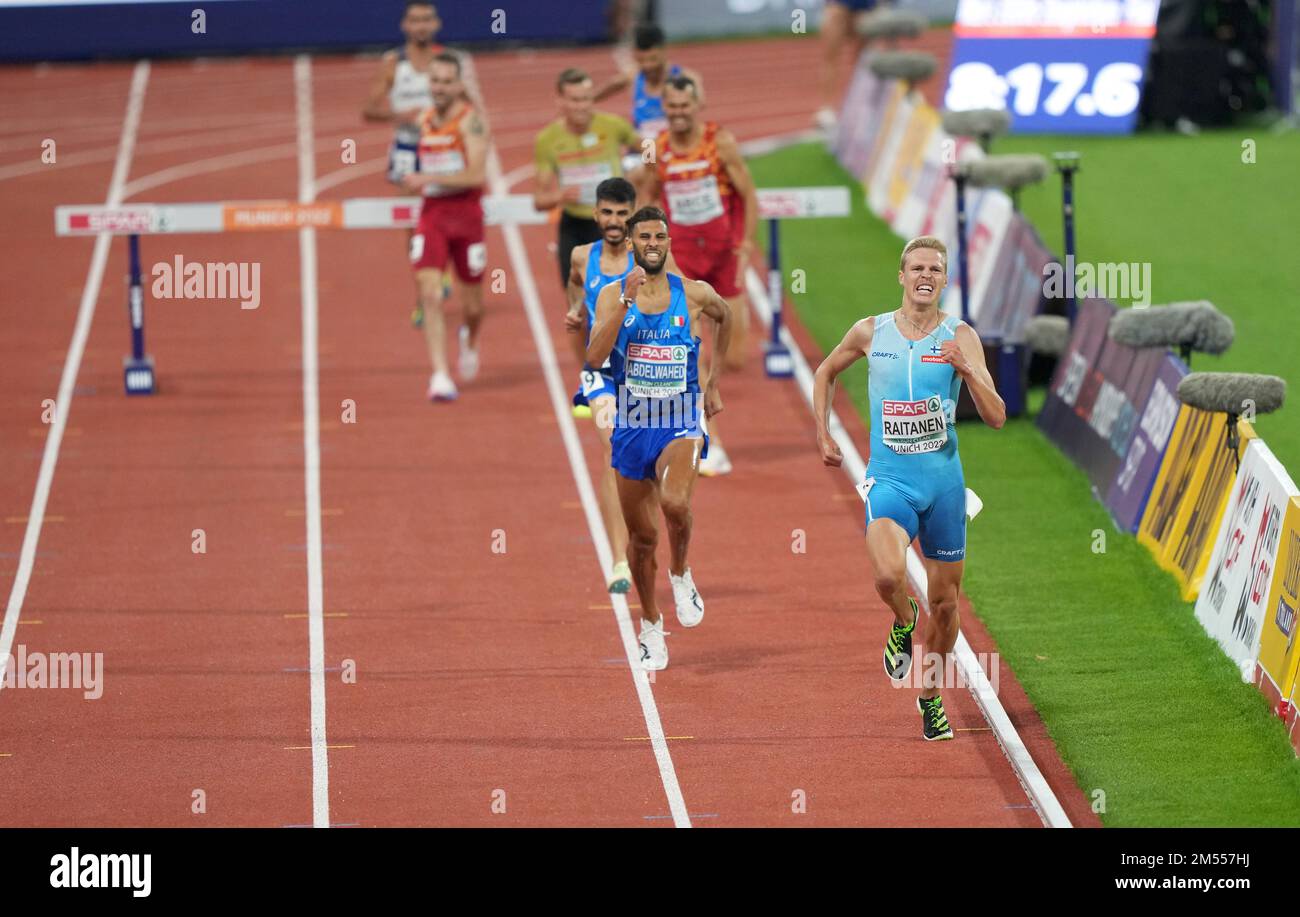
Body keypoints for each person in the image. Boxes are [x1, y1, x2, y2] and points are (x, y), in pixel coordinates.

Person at [811, 236, 1005, 741]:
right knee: (886, 575)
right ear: (902, 276)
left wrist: (967, 372)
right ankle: (902, 618)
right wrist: (823, 431)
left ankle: (931, 697)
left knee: (946, 603)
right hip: (891, 480)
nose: (925, 275)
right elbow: (825, 372)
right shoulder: (870, 331)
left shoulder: (961, 336)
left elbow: (998, 416)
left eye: (934, 269)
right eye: (916, 267)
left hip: (943, 487)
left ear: (944, 279)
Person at [586, 207, 732, 671]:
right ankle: (650, 623)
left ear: (669, 242)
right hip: (632, 424)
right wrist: (625, 304)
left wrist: (713, 383)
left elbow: (724, 316)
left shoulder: (691, 293)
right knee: (642, 538)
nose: (654, 243)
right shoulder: (614, 296)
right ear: (631, 243)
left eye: (661, 236)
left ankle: (681, 571)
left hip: (680, 420)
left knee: (674, 504)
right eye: (645, 236)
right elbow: (593, 356)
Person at [644, 75, 757, 474]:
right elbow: (646, 196)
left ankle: (693, 415)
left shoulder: (719, 141)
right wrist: (653, 254)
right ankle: (708, 439)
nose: (677, 114)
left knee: (737, 354)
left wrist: (745, 246)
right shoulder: (654, 148)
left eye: (683, 106)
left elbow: (748, 194)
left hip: (724, 258)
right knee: (693, 352)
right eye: (670, 107)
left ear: (697, 105)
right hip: (683, 263)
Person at [532, 68, 641, 385]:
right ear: (560, 101)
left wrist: (640, 173)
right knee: (578, 310)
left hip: (617, 229)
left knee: (628, 302)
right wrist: (557, 196)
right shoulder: (548, 140)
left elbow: (648, 148)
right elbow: (539, 199)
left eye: (586, 99)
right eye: (575, 100)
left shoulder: (613, 126)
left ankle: (629, 372)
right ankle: (590, 377)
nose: (582, 106)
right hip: (575, 229)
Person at [564, 178, 639, 593]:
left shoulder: (649, 257)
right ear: (595, 214)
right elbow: (575, 287)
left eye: (622, 213)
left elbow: (681, 298)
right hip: (602, 375)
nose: (614, 221)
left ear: (633, 214)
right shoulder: (581, 256)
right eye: (607, 213)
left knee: (647, 467)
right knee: (613, 449)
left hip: (646, 374)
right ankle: (618, 561)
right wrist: (576, 310)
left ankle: (643, 538)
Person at [401, 52, 489, 402]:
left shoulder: (472, 123)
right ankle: (439, 374)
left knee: (474, 307)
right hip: (432, 217)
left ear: (458, 85)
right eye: (434, 80)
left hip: (467, 218)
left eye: (446, 81)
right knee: (431, 294)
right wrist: (407, 176)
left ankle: (469, 338)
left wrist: (428, 176)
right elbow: (405, 166)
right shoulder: (421, 121)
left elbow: (476, 175)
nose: (439, 87)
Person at [362, 1, 448, 330]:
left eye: (427, 19)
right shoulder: (392, 63)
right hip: (407, 152)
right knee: (416, 227)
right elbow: (369, 109)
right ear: (405, 26)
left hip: (442, 150)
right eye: (415, 20)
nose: (421, 26)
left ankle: (444, 273)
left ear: (436, 23)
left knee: (444, 219)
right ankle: (423, 299)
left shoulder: (446, 61)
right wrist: (402, 116)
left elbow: (467, 103)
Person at [592, 22, 705, 199]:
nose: (648, 66)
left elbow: (699, 103)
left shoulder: (685, 78)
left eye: (653, 59)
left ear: (663, 52)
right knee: (637, 181)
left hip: (674, 145)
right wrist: (585, 102)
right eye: (642, 60)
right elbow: (609, 86)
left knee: (662, 183)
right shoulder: (634, 76)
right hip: (645, 147)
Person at [815, 0, 877, 130]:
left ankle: (860, 107)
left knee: (862, 62)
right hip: (838, 5)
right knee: (830, 57)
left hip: (865, 6)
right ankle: (826, 109)